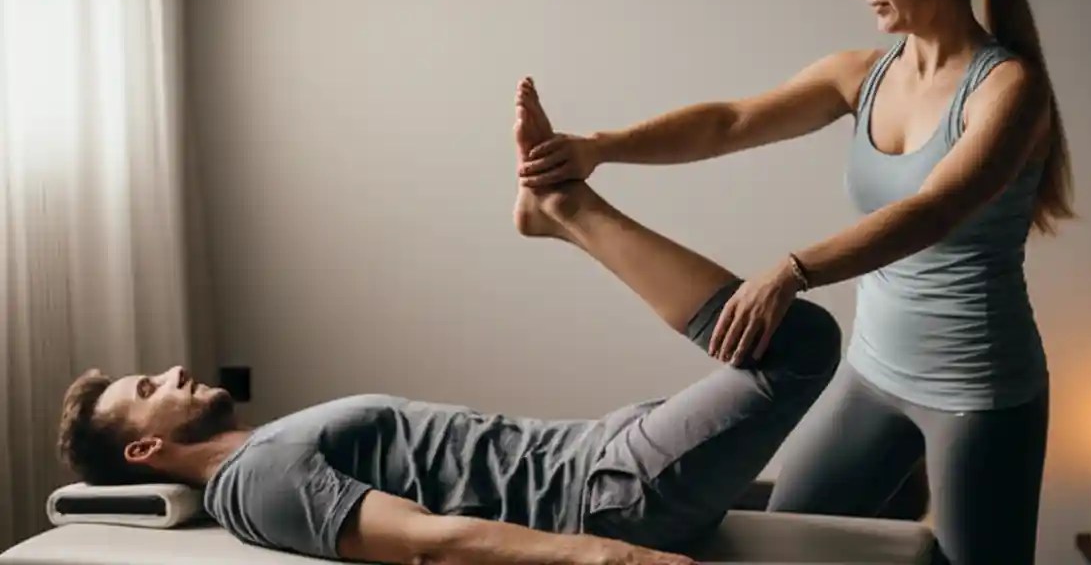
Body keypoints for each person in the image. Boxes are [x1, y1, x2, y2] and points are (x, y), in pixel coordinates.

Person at [516, 0, 1073, 565]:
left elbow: (933, 210)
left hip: (979, 390)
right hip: (874, 376)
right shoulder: (864, 74)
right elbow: (730, 122)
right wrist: (600, 148)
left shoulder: (1009, 92)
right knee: (786, 546)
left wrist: (793, 271)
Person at [54, 85, 842, 565]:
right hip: (605, 496)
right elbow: (431, 542)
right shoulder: (254, 483)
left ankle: (566, 215)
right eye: (148, 388)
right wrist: (612, 558)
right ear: (145, 449)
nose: (171, 370)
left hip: (595, 453)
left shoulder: (263, 451)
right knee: (799, 345)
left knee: (813, 469)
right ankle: (569, 211)